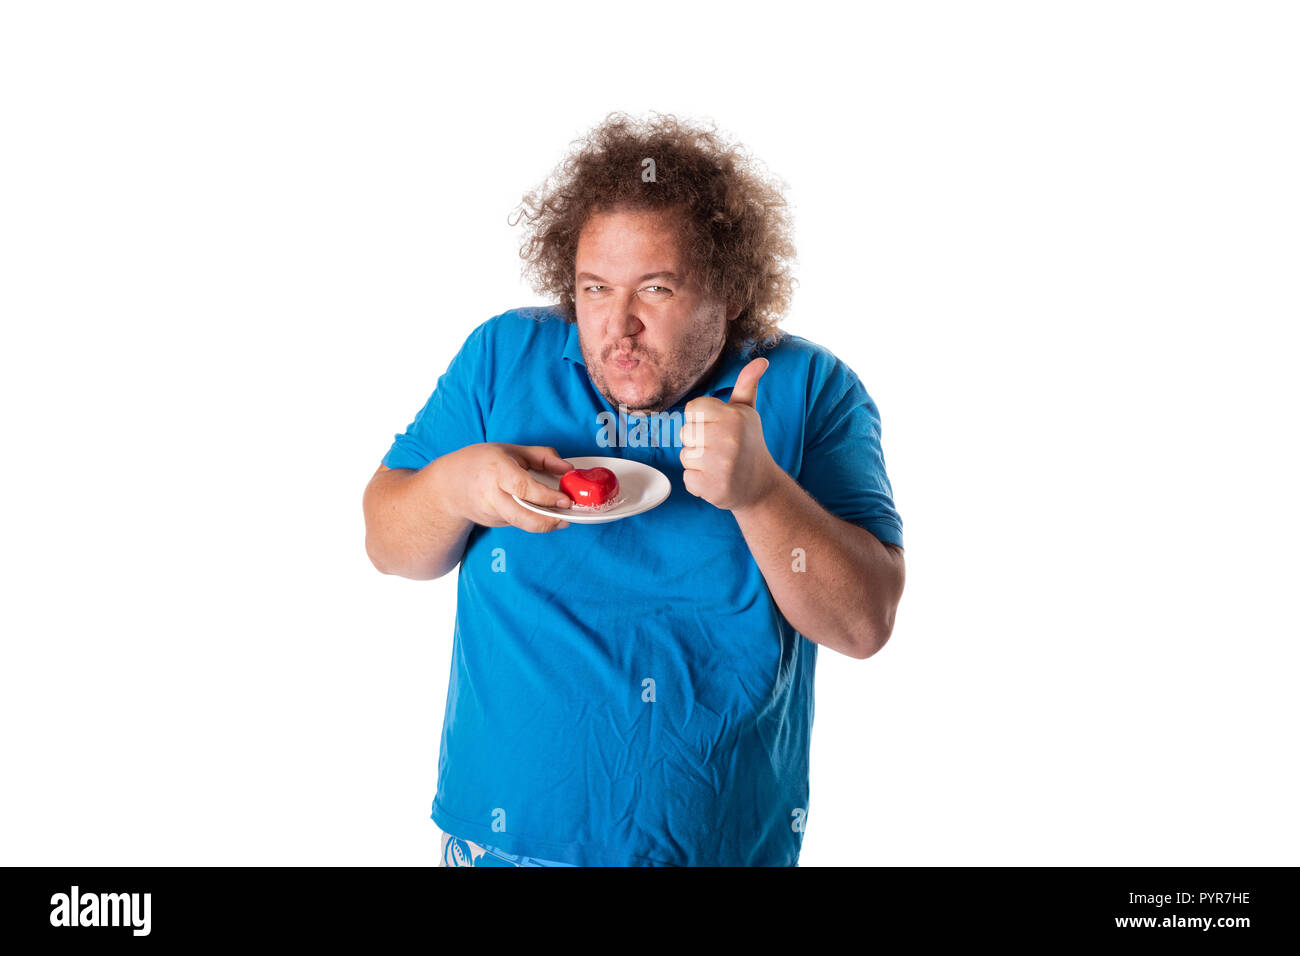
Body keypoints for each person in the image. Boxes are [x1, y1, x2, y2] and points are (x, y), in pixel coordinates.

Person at [363, 112, 905, 866]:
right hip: (506, 848)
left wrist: (761, 493)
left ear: (732, 291)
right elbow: (387, 544)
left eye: (656, 288)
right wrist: (456, 487)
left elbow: (864, 623)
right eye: (594, 288)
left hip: (720, 849)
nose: (619, 326)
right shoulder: (501, 357)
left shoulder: (813, 388)